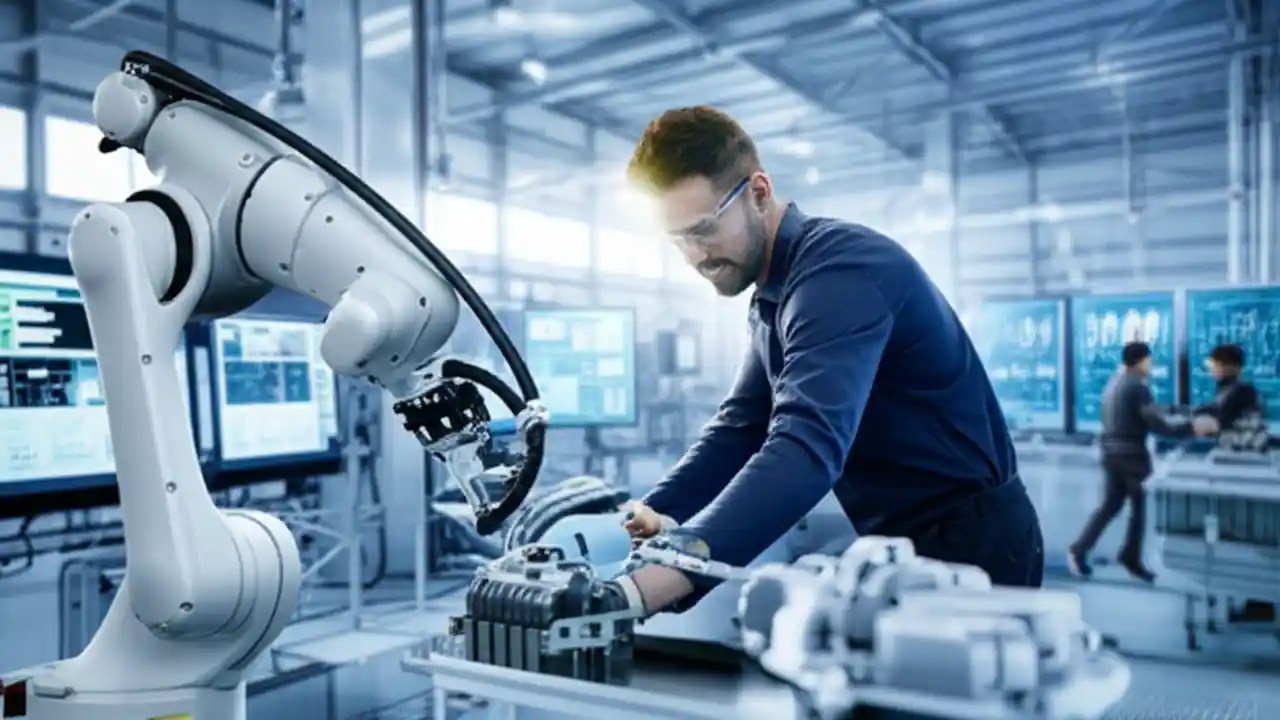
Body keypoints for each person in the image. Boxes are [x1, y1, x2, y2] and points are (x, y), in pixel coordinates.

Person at [612, 106, 1043, 616]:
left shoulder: (841, 273)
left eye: (703, 229)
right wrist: (656, 510)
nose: (694, 256)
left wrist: (650, 585)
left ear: (758, 193)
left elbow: (805, 447)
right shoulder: (775, 292)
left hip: (972, 548)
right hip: (903, 541)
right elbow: (741, 427)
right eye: (677, 239)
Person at [1067, 342, 1215, 583]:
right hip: (1131, 456)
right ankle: (1130, 556)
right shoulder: (1138, 386)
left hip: (1111, 452)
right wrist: (1192, 429)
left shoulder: (1114, 383)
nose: (1150, 365)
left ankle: (1081, 549)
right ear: (1142, 361)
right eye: (1148, 360)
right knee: (1138, 508)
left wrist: (1183, 412)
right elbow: (1155, 423)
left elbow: (1149, 411)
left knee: (1112, 504)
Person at [1193, 343, 1266, 451]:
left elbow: (1222, 419)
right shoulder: (1227, 390)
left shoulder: (1243, 391)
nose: (1212, 370)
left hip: (1239, 450)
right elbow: (1216, 410)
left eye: (1215, 365)